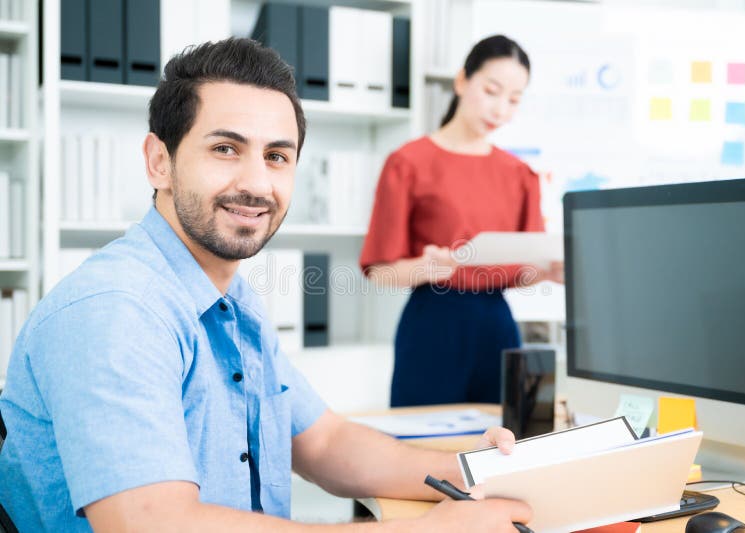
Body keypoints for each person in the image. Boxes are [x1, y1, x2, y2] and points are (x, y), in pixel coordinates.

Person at [0, 38, 532, 531]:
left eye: (276, 156)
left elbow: (323, 441)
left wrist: (466, 473)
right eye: (226, 149)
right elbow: (154, 523)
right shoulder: (117, 310)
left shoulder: (232, 300)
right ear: (159, 161)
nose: (257, 184)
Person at [360, 35, 561, 407]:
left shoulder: (520, 175)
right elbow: (379, 270)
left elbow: (521, 269)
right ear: (461, 81)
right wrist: (425, 268)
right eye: (492, 91)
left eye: (514, 100)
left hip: (497, 328)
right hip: (432, 325)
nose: (501, 109)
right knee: (421, 449)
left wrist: (549, 272)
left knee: (501, 445)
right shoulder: (408, 163)